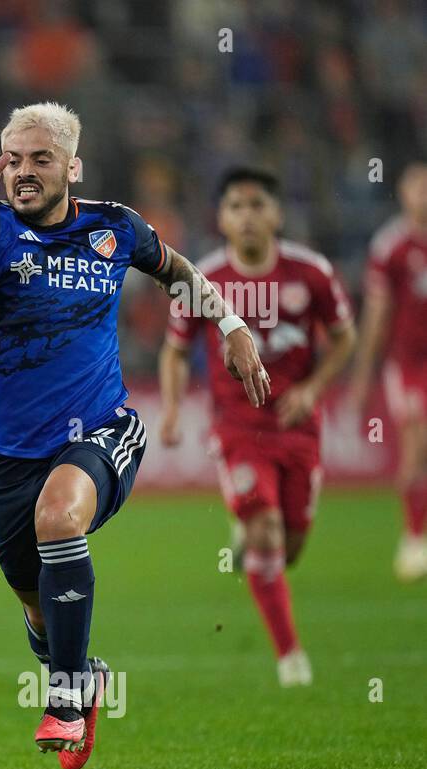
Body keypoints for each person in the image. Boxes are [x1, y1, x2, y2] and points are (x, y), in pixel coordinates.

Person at [0, 103, 269, 769]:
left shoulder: (114, 227)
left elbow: (180, 273)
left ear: (71, 167)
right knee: (37, 603)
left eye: (40, 160)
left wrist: (230, 327)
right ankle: (82, 670)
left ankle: (67, 695)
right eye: (14, 160)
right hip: (4, 453)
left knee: (59, 518)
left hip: (100, 429)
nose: (23, 172)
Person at [160, 168, 356, 687]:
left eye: (257, 205)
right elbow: (176, 351)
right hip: (237, 429)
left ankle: (253, 539)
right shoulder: (202, 279)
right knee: (265, 530)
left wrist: (313, 389)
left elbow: (344, 338)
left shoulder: (310, 273)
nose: (247, 217)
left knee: (288, 546)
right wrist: (174, 412)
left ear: (277, 213)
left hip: (298, 427)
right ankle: (290, 657)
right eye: (236, 207)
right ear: (222, 218)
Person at [348, 162, 427, 582]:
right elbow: (377, 315)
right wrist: (363, 375)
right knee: (416, 444)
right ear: (404, 193)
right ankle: (413, 539)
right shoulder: (391, 247)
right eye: (417, 188)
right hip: (410, 364)